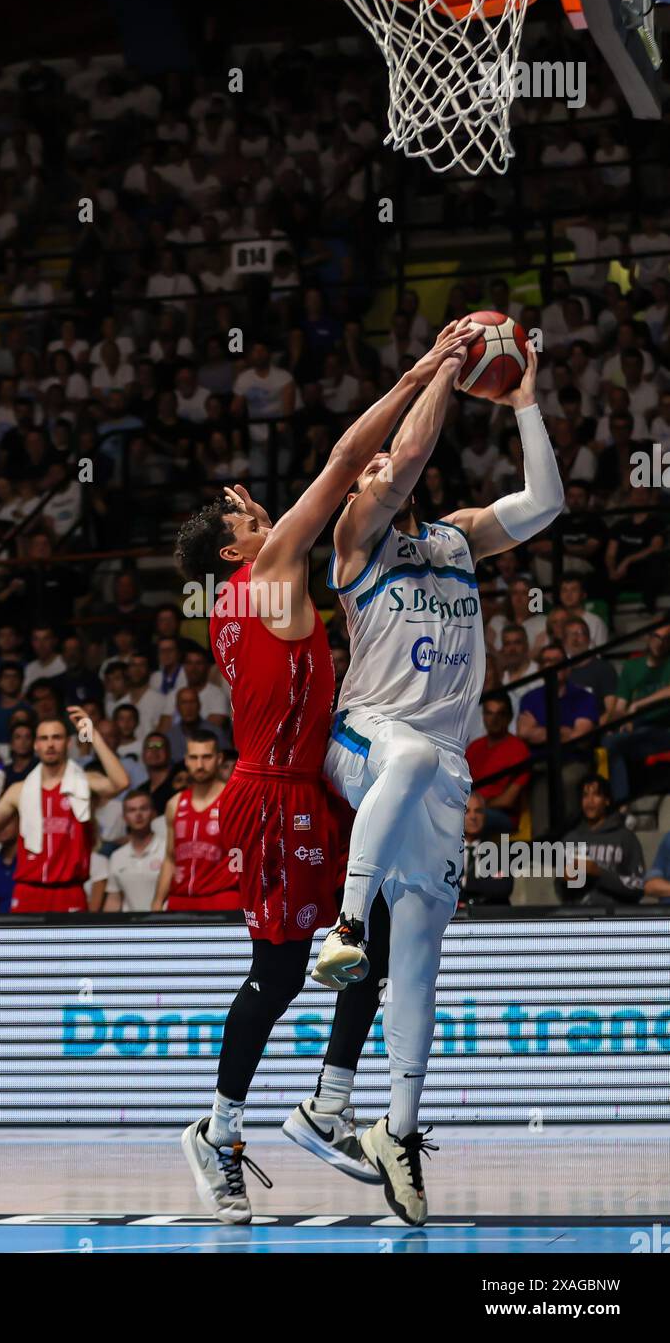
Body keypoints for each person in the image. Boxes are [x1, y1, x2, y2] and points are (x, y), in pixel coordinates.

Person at [173, 319, 476, 1222]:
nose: (269, 517)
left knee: (370, 950)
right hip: (270, 795)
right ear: (238, 551)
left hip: (317, 785)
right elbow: (349, 460)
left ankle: (330, 1107)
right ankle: (217, 1133)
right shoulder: (265, 571)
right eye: (253, 519)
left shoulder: (260, 574)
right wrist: (426, 368)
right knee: (279, 972)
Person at [305, 339, 563, 1225]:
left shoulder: (455, 537)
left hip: (442, 767)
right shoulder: (351, 536)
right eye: (372, 465)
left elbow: (546, 503)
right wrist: (450, 370)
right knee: (407, 758)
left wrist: (524, 399)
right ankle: (342, 924)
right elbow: (404, 453)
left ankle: (398, 1134)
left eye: (390, 462)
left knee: (418, 956)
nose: (385, 466)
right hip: (363, 740)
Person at [0, 709, 129, 914]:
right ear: (36, 745)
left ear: (68, 743)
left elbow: (121, 783)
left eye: (57, 738)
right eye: (44, 738)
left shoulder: (83, 782)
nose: (50, 744)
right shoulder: (20, 790)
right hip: (29, 890)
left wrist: (93, 735)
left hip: (69, 890)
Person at [517, 644, 600, 834]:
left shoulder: (583, 697)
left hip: (574, 760)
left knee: (567, 780)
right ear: (539, 669)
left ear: (567, 667)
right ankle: (544, 849)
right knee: (540, 786)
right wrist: (563, 731)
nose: (550, 666)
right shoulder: (530, 698)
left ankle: (570, 839)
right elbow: (524, 733)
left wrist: (540, 731)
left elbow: (580, 737)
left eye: (556, 662)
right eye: (545, 661)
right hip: (541, 763)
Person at [152, 731, 239, 912]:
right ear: (186, 760)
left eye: (206, 757)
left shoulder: (234, 801)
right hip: (179, 901)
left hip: (223, 899)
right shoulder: (175, 804)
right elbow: (170, 857)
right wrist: (157, 903)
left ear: (219, 758)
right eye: (194, 757)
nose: (200, 765)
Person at [556, 775, 658, 905]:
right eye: (585, 796)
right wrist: (564, 880)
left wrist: (598, 873)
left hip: (615, 919)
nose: (590, 801)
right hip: (579, 918)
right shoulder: (569, 839)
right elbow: (560, 892)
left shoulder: (625, 838)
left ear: (607, 800)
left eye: (596, 795)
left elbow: (638, 886)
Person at [603, 625, 670, 802]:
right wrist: (615, 722)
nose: (660, 643)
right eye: (656, 637)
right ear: (649, 638)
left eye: (665, 638)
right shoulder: (632, 667)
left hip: (665, 727)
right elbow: (620, 706)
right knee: (610, 742)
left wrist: (638, 704)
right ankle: (622, 806)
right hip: (641, 729)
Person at [465, 691, 531, 832]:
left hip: (502, 816)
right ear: (483, 716)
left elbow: (509, 800)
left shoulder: (519, 748)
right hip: (470, 809)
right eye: (489, 713)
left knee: (468, 818)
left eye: (500, 714)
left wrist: (476, 807)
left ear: (509, 717)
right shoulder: (474, 747)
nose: (494, 719)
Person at [103, 791, 167, 912]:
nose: (138, 814)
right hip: (130, 927)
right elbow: (114, 899)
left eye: (143, 809)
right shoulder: (117, 856)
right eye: (132, 810)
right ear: (124, 817)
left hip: (164, 924)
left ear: (153, 813)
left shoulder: (166, 850)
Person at [458, 792, 513, 908]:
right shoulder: (445, 853)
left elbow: (503, 887)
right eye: (467, 811)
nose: (473, 817)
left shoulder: (498, 852)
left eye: (478, 811)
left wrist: (465, 882)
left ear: (485, 815)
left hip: (489, 917)